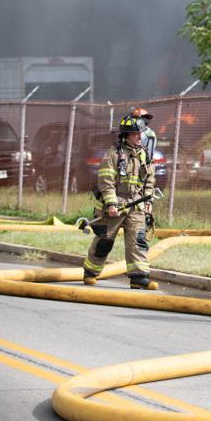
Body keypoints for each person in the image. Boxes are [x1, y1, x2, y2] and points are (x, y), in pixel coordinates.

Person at [82, 114, 157, 290]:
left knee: (138, 241)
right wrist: (112, 204)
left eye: (141, 133)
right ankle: (90, 272)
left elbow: (150, 180)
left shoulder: (144, 154)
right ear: (126, 136)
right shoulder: (113, 154)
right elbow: (106, 181)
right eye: (136, 134)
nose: (140, 137)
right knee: (105, 241)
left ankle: (138, 276)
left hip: (136, 205)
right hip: (115, 206)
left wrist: (149, 200)